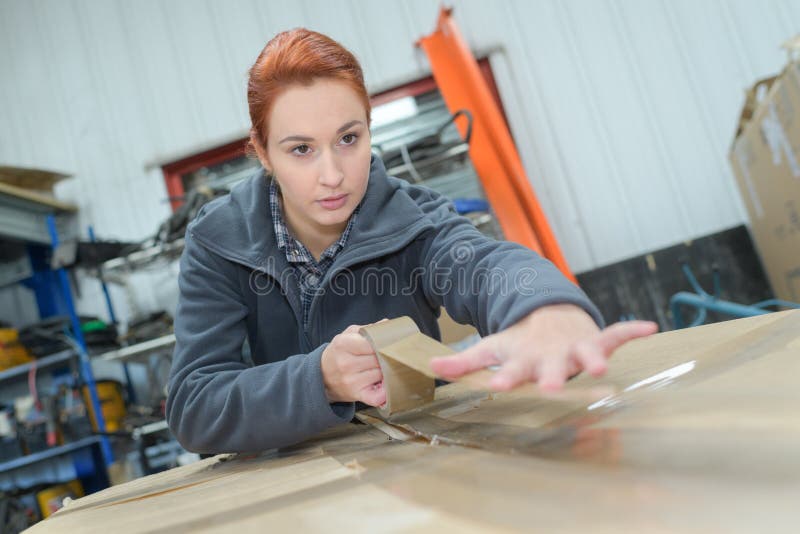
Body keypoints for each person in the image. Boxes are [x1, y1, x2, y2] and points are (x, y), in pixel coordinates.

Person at [165, 28, 657, 454]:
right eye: (300, 150)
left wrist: (546, 311)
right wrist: (320, 380)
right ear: (263, 152)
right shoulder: (218, 241)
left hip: (417, 464)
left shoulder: (414, 220)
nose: (333, 175)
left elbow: (483, 265)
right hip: (287, 485)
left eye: (348, 139)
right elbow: (194, 406)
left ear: (369, 128)